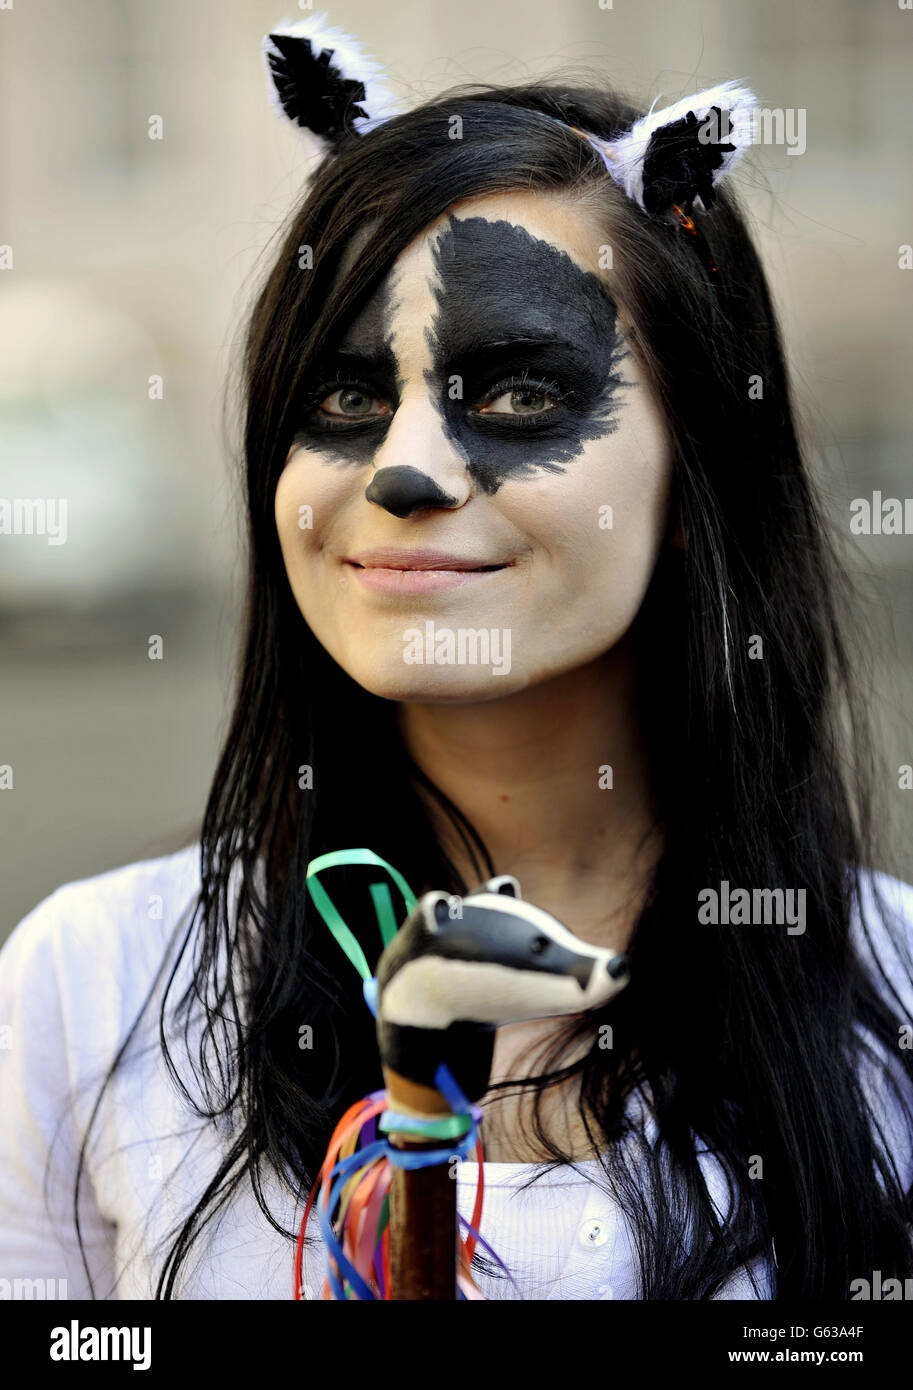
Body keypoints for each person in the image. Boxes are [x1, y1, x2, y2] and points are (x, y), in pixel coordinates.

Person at [1, 18, 912, 1302]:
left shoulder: (896, 1002)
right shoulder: (87, 991)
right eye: (344, 401)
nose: (402, 468)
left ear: (699, 460)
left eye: (520, 394)